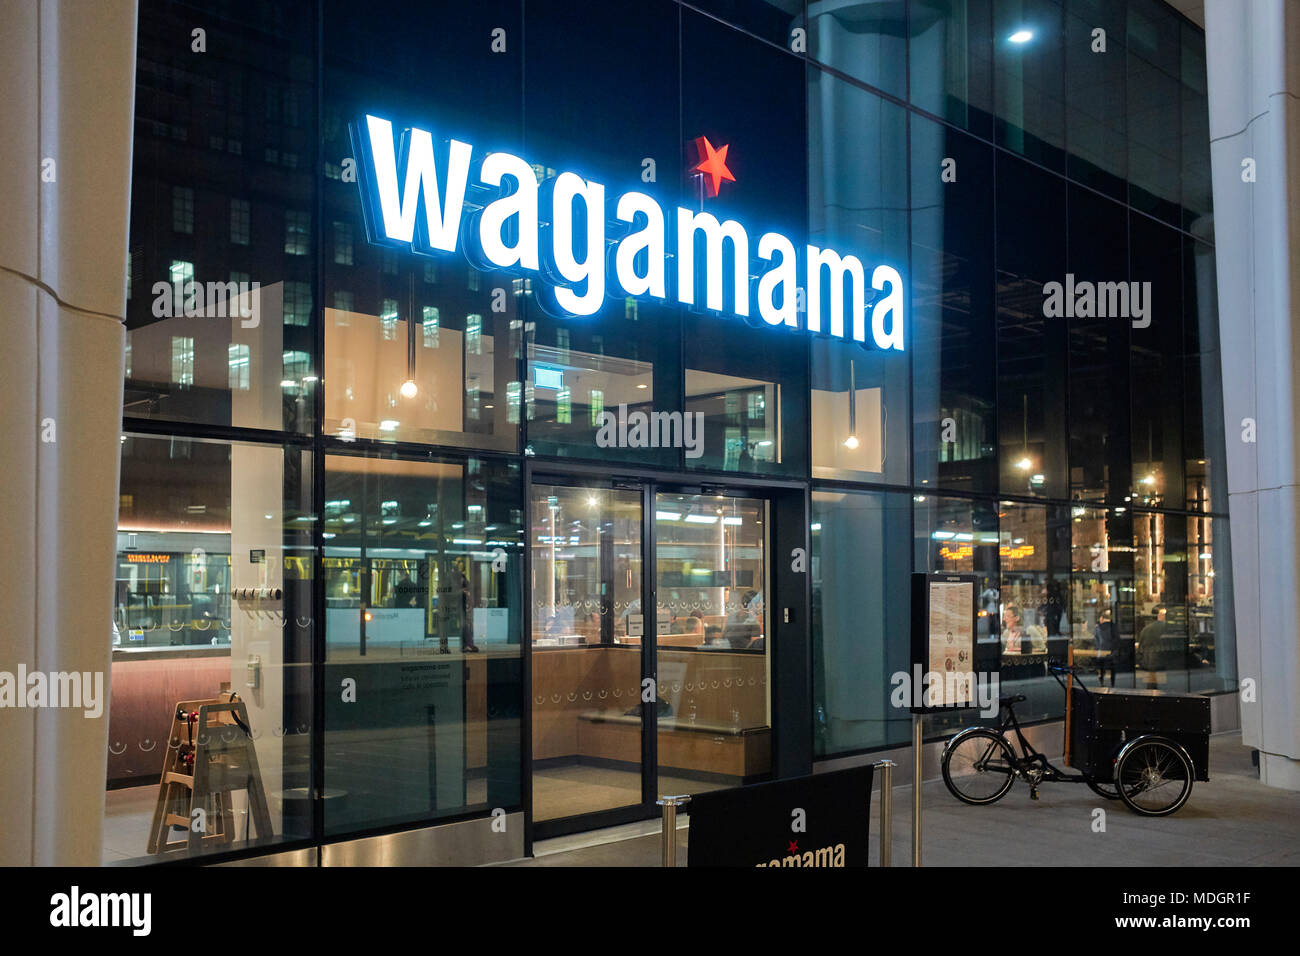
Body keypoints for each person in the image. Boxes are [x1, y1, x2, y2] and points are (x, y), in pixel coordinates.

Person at [1093, 609, 1117, 687]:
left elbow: (1096, 640)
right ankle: (1112, 683)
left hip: (1101, 651)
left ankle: (1102, 682)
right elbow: (1117, 639)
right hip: (1111, 651)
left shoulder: (1097, 628)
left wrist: (1098, 649)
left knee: (1101, 667)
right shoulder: (1114, 627)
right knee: (1112, 668)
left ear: (1102, 618)